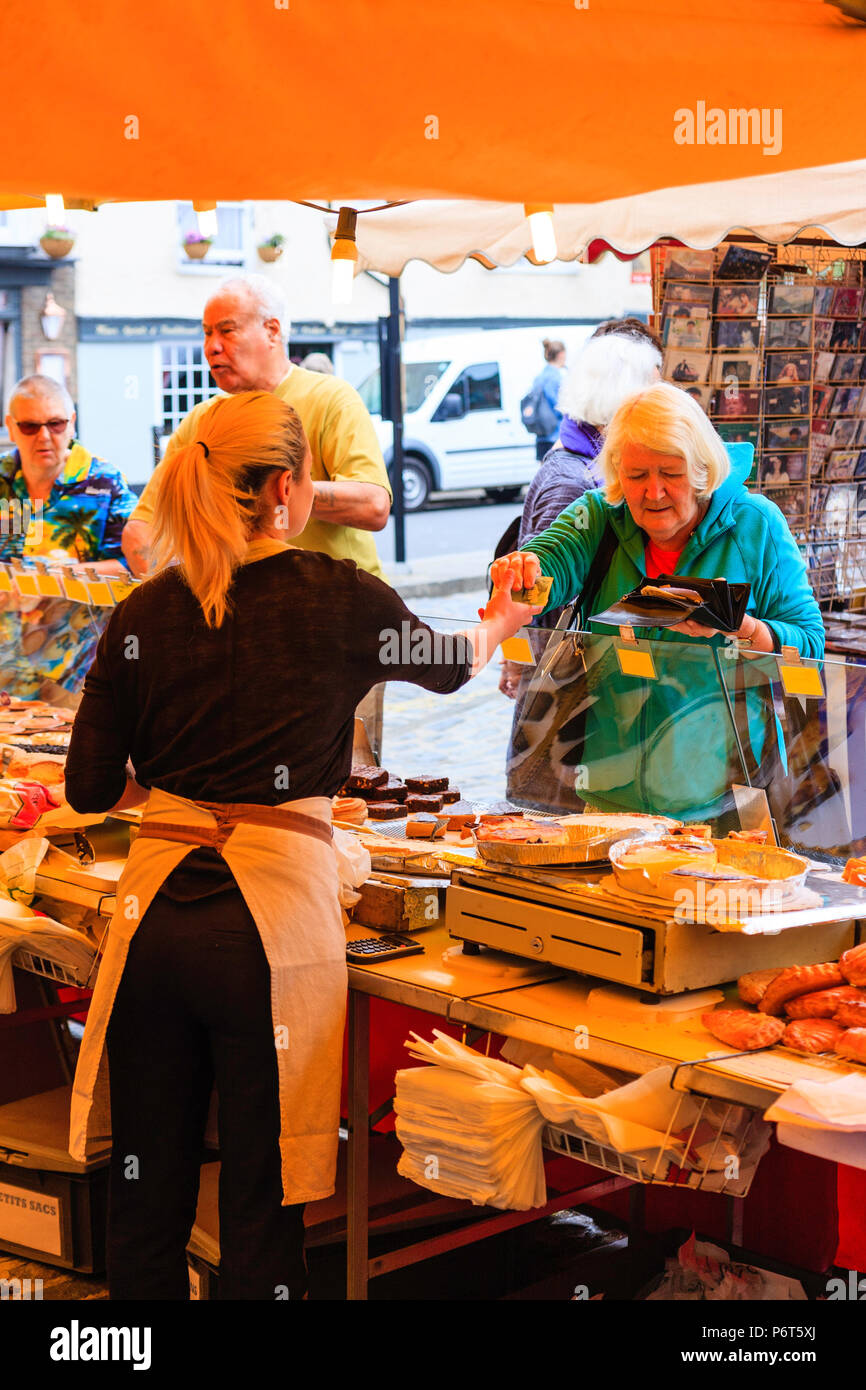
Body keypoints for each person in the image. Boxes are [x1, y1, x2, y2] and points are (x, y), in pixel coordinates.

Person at [64, 390, 537, 1301]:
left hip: (153, 925)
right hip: (267, 940)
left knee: (146, 1190)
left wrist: (173, 804)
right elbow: (446, 664)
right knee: (260, 1197)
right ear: (287, 485)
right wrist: (501, 618)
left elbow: (88, 788)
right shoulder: (340, 597)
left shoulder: (144, 612)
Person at [492, 381, 824, 819]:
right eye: (636, 476)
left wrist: (744, 628)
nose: (653, 492)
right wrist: (521, 572)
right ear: (616, 473)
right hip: (610, 800)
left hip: (727, 804)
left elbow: (810, 648)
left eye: (671, 473)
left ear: (702, 469)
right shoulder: (598, 516)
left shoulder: (756, 525)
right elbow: (548, 563)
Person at [121, 275, 391, 582]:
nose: (212, 347)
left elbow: (374, 505)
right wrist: (182, 598)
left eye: (227, 330)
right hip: (247, 618)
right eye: (207, 333)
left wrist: (274, 493)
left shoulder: (330, 398)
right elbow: (141, 529)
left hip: (341, 608)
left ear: (272, 331)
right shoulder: (200, 420)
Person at [497, 322, 661, 699]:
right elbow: (535, 592)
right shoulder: (574, 480)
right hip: (569, 691)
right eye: (653, 391)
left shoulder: (588, 462)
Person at [1, 375, 135, 572]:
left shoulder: (106, 481)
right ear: (11, 427)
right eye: (30, 426)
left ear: (71, 423)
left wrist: (55, 581)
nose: (44, 436)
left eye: (55, 424)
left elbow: (134, 563)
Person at [528, 339, 567, 461]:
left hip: (541, 434)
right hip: (556, 435)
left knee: (544, 474)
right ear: (561, 354)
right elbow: (559, 406)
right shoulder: (556, 377)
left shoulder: (539, 377)